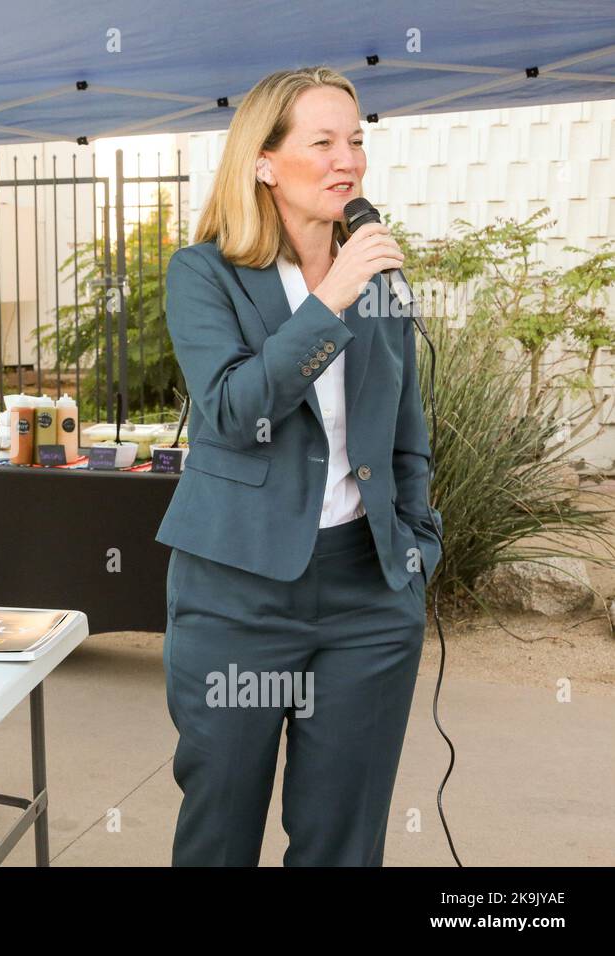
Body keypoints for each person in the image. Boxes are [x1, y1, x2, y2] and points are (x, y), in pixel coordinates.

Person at [157, 66, 443, 866]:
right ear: (264, 161)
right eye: (322, 142)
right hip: (237, 591)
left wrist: (418, 549)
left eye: (355, 139)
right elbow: (233, 410)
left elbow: (405, 429)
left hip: (368, 597)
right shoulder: (203, 273)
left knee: (343, 842)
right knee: (221, 829)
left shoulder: (379, 276)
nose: (346, 158)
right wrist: (330, 303)